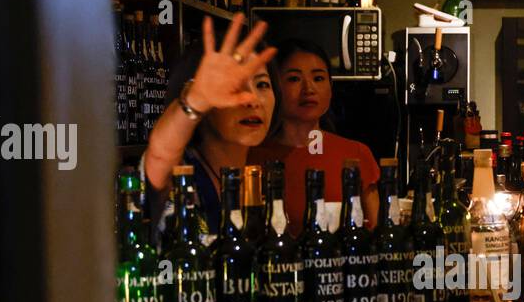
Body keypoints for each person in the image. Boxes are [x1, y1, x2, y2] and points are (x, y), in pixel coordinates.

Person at [141, 14, 278, 237]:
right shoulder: (182, 173)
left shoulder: (259, 180)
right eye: (235, 87)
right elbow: (159, 154)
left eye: (262, 84)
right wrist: (195, 101)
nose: (252, 99)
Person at [245, 38, 380, 235]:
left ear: (330, 87)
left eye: (318, 78)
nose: (308, 89)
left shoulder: (355, 154)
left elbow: (377, 230)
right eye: (294, 79)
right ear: (274, 86)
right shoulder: (253, 158)